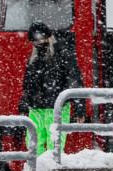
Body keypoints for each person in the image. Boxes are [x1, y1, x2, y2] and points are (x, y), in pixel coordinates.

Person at [20, 23, 78, 153]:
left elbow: (73, 80)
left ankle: (49, 166)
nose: (38, 43)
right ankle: (39, 166)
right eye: (35, 41)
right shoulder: (34, 60)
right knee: (33, 144)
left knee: (54, 144)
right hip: (37, 107)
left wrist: (79, 107)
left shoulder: (62, 54)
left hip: (57, 106)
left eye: (40, 39)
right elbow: (28, 84)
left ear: (49, 37)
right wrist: (24, 103)